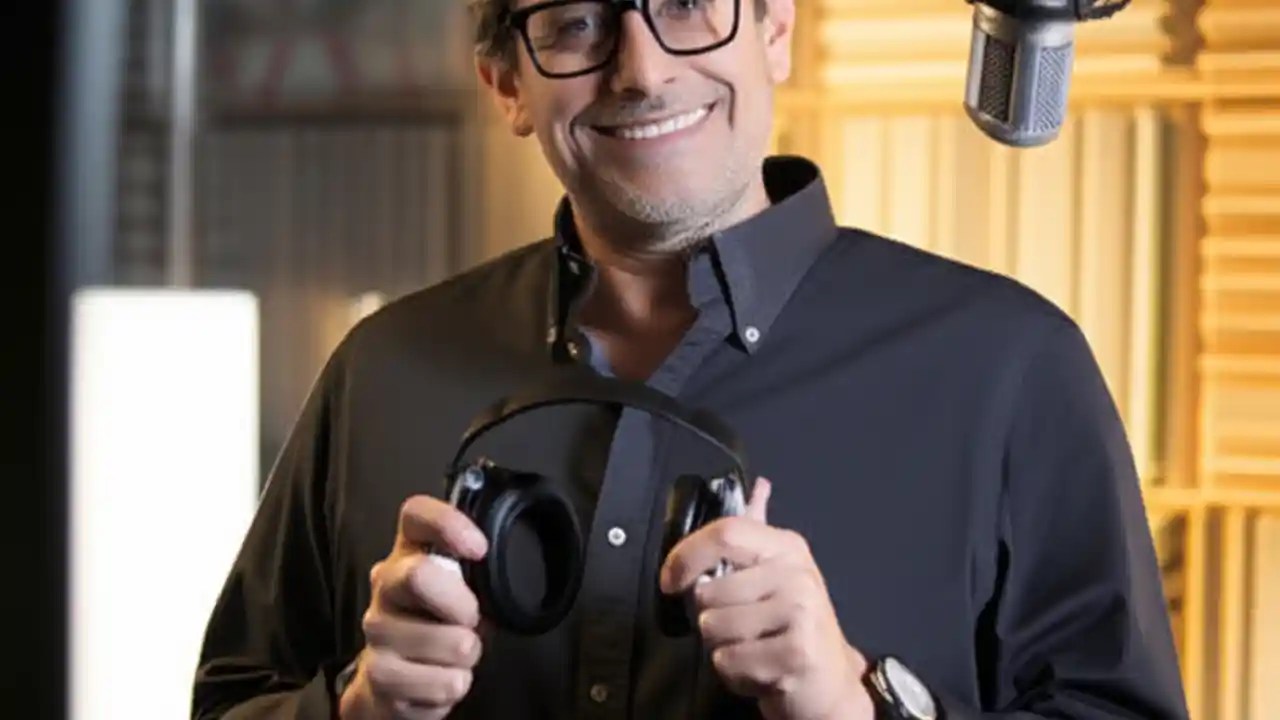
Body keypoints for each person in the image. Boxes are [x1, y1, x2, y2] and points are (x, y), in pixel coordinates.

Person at [191, 0, 1191, 718]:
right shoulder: (381, 368)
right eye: (578, 22)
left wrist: (857, 705)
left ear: (775, 29)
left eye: (687, 5)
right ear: (505, 83)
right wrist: (356, 710)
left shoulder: (1011, 367)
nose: (642, 68)